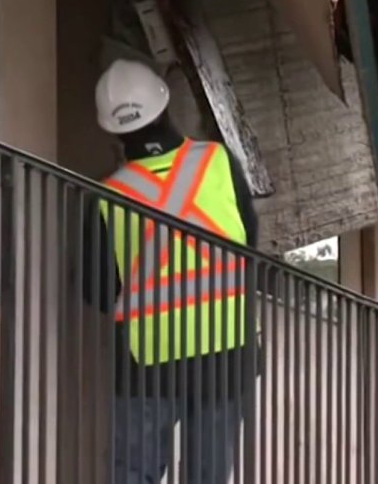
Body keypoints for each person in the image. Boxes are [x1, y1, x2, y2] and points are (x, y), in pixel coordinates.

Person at [80, 58, 261, 484]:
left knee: (133, 474)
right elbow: (248, 240)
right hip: (226, 351)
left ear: (113, 130)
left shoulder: (109, 196)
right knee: (208, 475)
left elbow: (95, 288)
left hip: (148, 362)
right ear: (164, 107)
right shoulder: (219, 162)